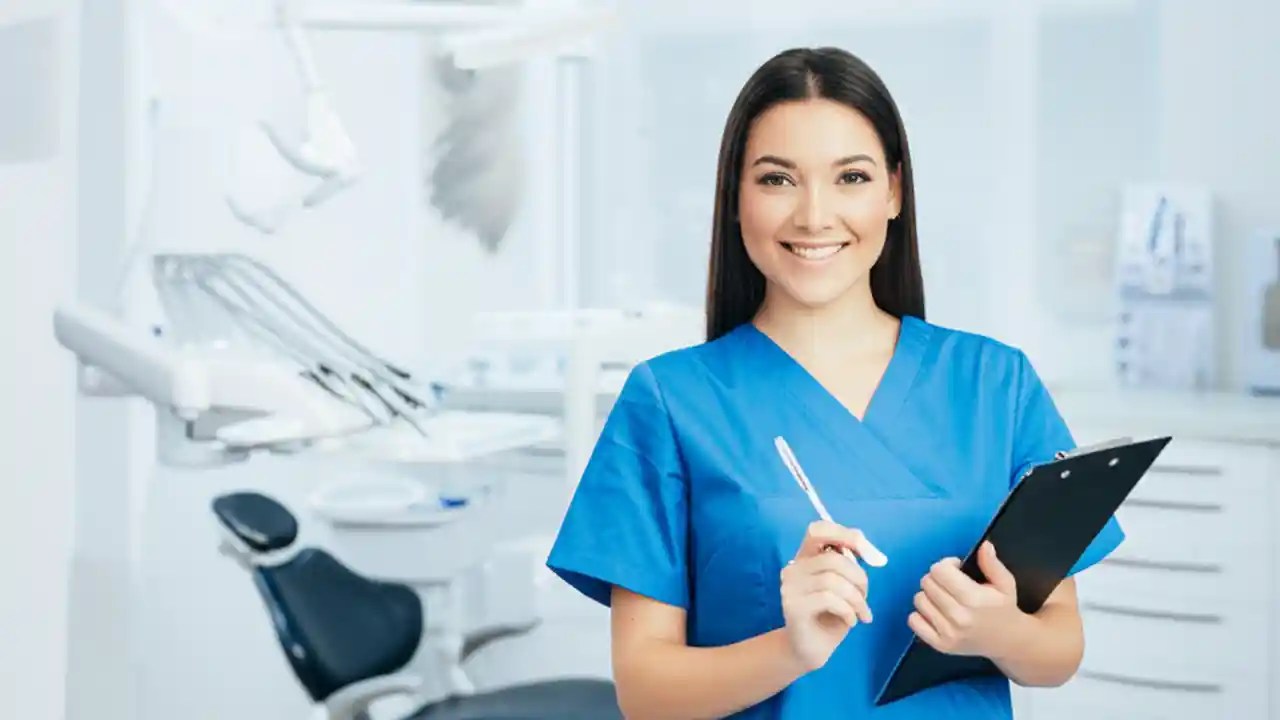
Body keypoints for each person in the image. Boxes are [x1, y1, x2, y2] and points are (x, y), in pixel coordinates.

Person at [545, 46, 1124, 719]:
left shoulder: (996, 384)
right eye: (777, 179)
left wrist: (1001, 633)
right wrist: (790, 650)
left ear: (894, 192)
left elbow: (1060, 650)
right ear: (735, 199)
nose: (814, 216)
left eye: (850, 177)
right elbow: (646, 694)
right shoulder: (671, 403)